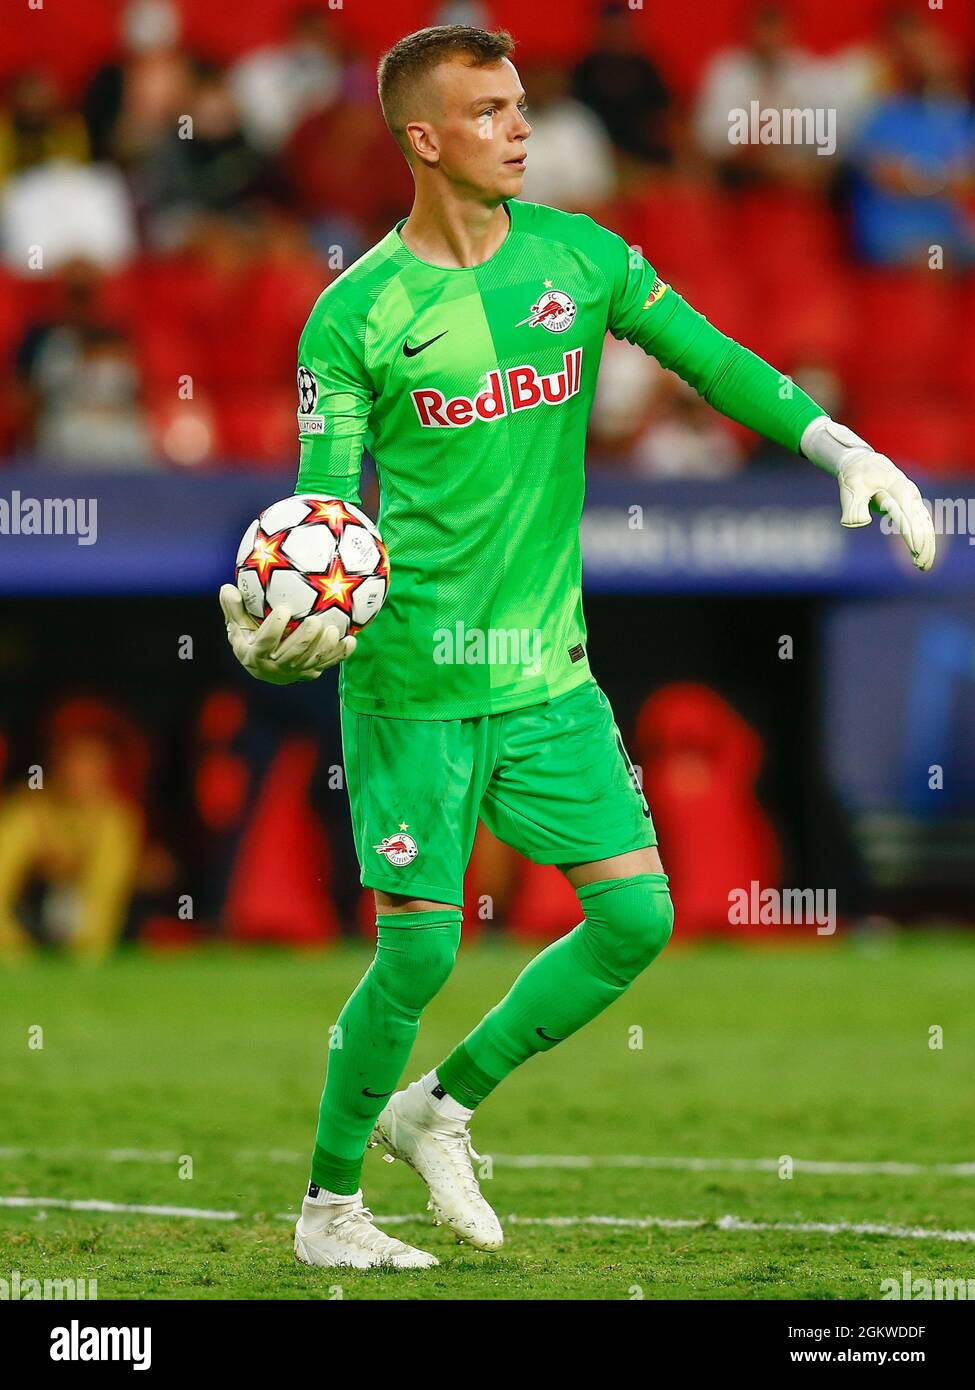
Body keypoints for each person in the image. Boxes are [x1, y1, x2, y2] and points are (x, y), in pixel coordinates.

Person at [219, 24, 935, 1270]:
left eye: (519, 103)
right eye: (488, 110)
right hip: (414, 683)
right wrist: (296, 624)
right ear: (423, 139)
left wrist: (847, 449)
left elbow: (714, 362)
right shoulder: (353, 317)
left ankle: (439, 1106)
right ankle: (330, 1209)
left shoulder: (582, 258)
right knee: (422, 948)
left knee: (635, 918)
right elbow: (324, 515)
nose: (520, 126)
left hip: (549, 672)